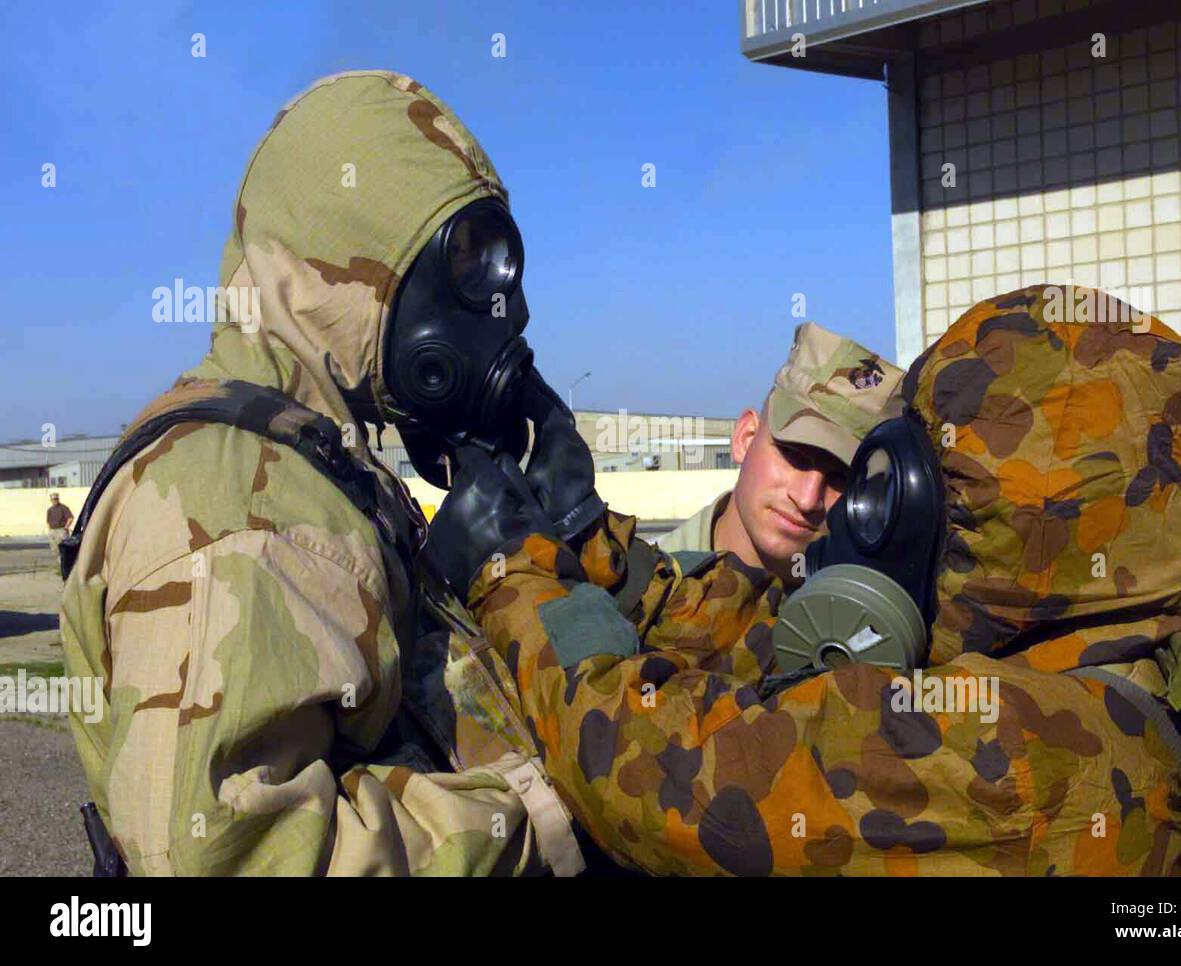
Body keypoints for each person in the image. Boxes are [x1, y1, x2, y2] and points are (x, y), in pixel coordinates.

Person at [430, 284, 1181, 876]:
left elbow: (634, 764)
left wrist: (511, 578)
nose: (833, 502)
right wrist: (591, 539)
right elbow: (762, 649)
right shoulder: (1109, 672)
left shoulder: (994, 745)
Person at [59, 70, 591, 876]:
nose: (501, 312)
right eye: (465, 265)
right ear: (350, 266)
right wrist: (543, 815)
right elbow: (236, 858)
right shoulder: (238, 500)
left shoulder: (308, 463)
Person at [656, 322, 903, 585]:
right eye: (794, 456)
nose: (808, 499)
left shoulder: (868, 616)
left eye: (840, 477)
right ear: (746, 438)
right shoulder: (641, 598)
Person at [46, 492, 73, 562]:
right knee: (54, 548)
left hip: (61, 530)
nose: (55, 501)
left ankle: (66, 562)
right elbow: (48, 521)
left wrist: (66, 527)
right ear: (51, 500)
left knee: (64, 548)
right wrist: (50, 530)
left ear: (58, 499)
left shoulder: (63, 508)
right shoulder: (50, 510)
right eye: (53, 499)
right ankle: (60, 563)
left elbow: (70, 518)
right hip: (53, 531)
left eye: (56, 499)